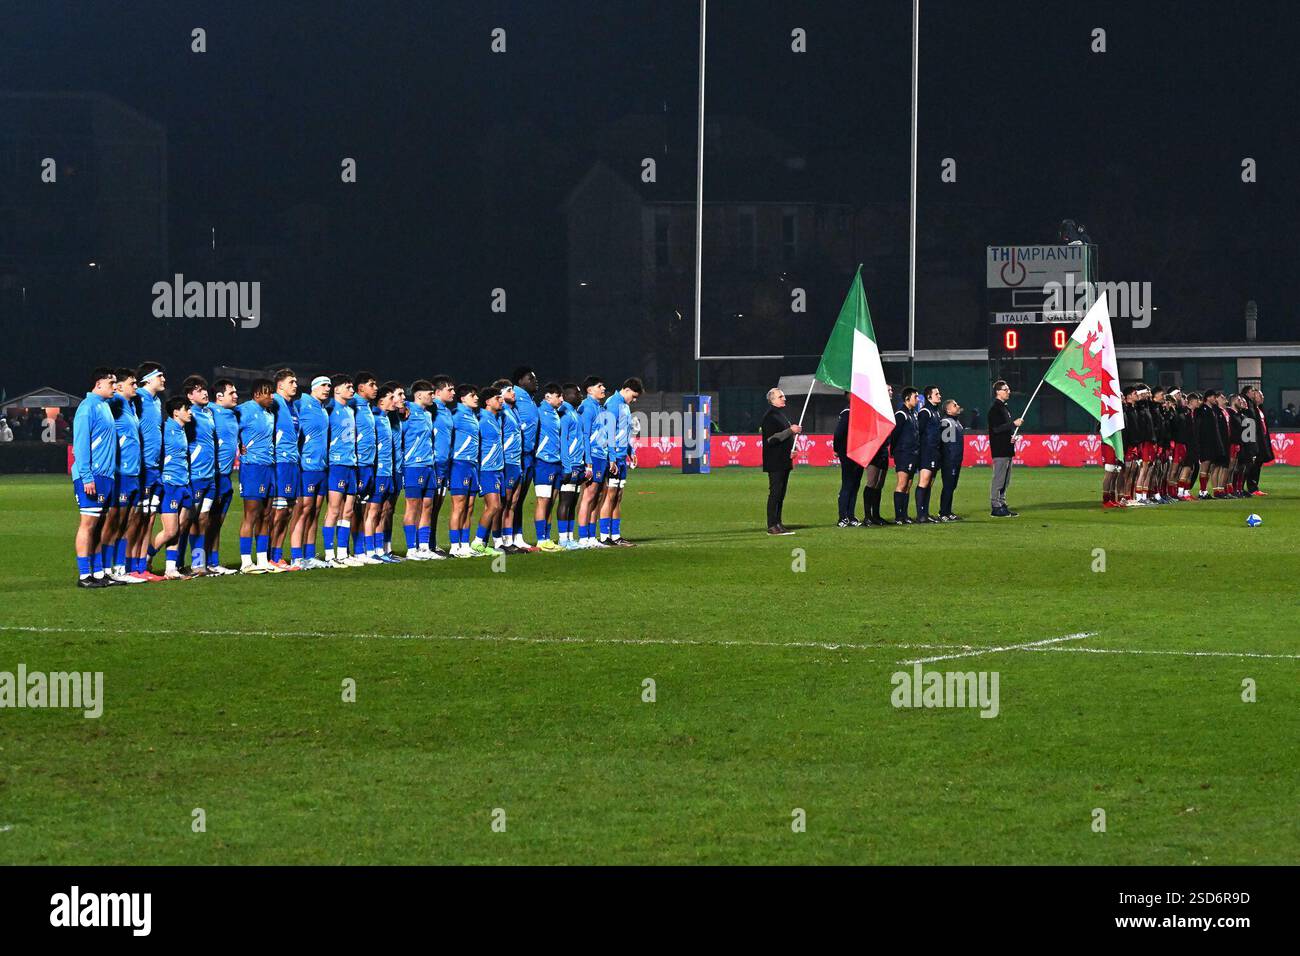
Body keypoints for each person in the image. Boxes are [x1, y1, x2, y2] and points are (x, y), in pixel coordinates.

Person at [71, 367, 118, 587]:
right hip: (92, 476)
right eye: (111, 383)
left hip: (105, 475)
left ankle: (98, 573)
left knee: (99, 525)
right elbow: (80, 446)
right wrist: (86, 476)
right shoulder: (87, 407)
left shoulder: (105, 406)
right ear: (98, 383)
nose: (115, 387)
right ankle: (84, 575)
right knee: (88, 524)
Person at [236, 378, 280, 573]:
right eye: (267, 393)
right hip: (252, 467)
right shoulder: (245, 410)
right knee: (251, 515)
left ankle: (262, 560)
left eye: (272, 393)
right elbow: (227, 427)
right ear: (256, 394)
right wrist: (238, 446)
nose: (271, 397)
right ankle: (246, 562)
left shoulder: (269, 414)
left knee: (266, 514)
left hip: (268, 467)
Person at [154, 396, 195, 580]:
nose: (190, 412)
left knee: (179, 528)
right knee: (170, 530)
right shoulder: (165, 428)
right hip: (170, 484)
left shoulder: (181, 429)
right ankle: (146, 557)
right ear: (176, 412)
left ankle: (170, 569)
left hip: (184, 483)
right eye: (187, 409)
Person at [293, 375, 331, 568]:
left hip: (321, 466)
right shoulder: (301, 404)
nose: (327, 389)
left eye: (329, 386)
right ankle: (296, 556)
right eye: (323, 385)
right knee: (303, 510)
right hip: (306, 466)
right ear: (313, 387)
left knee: (315, 511)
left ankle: (309, 555)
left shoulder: (324, 409)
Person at [599, 377, 642, 546]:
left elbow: (623, 432)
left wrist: (631, 452)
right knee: (610, 495)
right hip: (614, 457)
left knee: (618, 496)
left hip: (622, 456)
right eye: (635, 396)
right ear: (627, 389)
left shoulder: (625, 406)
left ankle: (615, 535)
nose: (635, 400)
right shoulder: (613, 403)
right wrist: (612, 457)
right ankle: (604, 536)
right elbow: (608, 432)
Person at [208, 379, 241, 573]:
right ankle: (194, 562)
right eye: (231, 393)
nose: (236, 395)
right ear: (219, 397)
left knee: (217, 522)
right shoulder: (209, 411)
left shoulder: (235, 414)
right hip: (212, 476)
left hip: (226, 477)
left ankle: (213, 562)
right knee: (202, 522)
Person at [471, 385, 506, 557]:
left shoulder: (495, 418)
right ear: (487, 402)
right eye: (497, 398)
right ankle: (477, 542)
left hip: (497, 469)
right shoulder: (483, 419)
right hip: (487, 469)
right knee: (494, 506)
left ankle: (483, 543)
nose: (501, 401)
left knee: (495, 506)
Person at [531, 382, 566, 552]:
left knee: (551, 501)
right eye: (558, 396)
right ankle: (540, 539)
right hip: (543, 462)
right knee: (543, 501)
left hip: (556, 462)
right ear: (547, 397)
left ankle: (547, 537)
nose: (561, 399)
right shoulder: (539, 413)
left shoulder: (554, 413)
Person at [448, 383, 482, 557]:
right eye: (472, 395)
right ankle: (454, 546)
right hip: (460, 464)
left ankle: (465, 544)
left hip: (472, 465)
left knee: (469, 506)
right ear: (463, 399)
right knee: (459, 506)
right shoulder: (457, 415)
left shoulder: (473, 415)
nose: (476, 398)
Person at [760, 387, 798, 535]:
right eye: (781, 396)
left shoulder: (780, 415)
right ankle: (772, 525)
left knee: (781, 494)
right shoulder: (770, 416)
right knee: (775, 493)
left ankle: (778, 523)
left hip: (783, 460)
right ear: (772, 400)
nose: (784, 398)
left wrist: (790, 450)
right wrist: (791, 430)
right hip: (774, 461)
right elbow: (772, 439)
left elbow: (782, 438)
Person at [556, 383, 586, 549]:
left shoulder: (574, 413)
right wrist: (567, 466)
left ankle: (569, 537)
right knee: (565, 501)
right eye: (577, 393)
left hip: (578, 464)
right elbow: (563, 442)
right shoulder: (564, 413)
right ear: (567, 395)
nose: (580, 396)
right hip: (570, 464)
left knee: (573, 501)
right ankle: (562, 539)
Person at [987, 380, 1022, 517]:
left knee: (1005, 480)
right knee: (999, 479)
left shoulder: (1004, 408)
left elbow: (1002, 429)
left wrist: (1010, 437)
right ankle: (996, 506)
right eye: (1005, 389)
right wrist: (1013, 424)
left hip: (1006, 447)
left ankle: (1002, 503)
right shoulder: (995, 409)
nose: (1009, 392)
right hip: (1000, 449)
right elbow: (996, 428)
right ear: (998, 392)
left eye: (1008, 389)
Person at [889, 387, 921, 524]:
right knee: (902, 484)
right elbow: (894, 435)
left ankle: (905, 515)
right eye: (916, 397)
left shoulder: (913, 414)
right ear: (907, 398)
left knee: (908, 484)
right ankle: (898, 516)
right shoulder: (901, 414)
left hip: (912, 453)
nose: (918, 400)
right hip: (903, 453)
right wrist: (895, 452)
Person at [914, 385, 943, 523]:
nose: (940, 396)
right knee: (924, 482)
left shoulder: (936, 412)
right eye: (937, 394)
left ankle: (925, 512)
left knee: (929, 483)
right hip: (926, 452)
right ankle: (921, 515)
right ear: (929, 396)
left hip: (934, 452)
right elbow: (918, 432)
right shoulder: (925, 412)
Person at [833, 402, 863, 527]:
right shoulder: (848, 412)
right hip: (849, 453)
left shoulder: (860, 412)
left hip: (860, 452)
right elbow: (839, 433)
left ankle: (851, 515)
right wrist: (837, 449)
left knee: (855, 485)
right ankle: (842, 517)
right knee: (848, 484)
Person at [937, 398, 965, 521]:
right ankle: (943, 512)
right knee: (948, 486)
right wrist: (949, 459)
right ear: (948, 410)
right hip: (949, 461)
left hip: (956, 460)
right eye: (955, 405)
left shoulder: (956, 422)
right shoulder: (946, 422)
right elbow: (946, 444)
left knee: (952, 486)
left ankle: (948, 511)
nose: (958, 406)